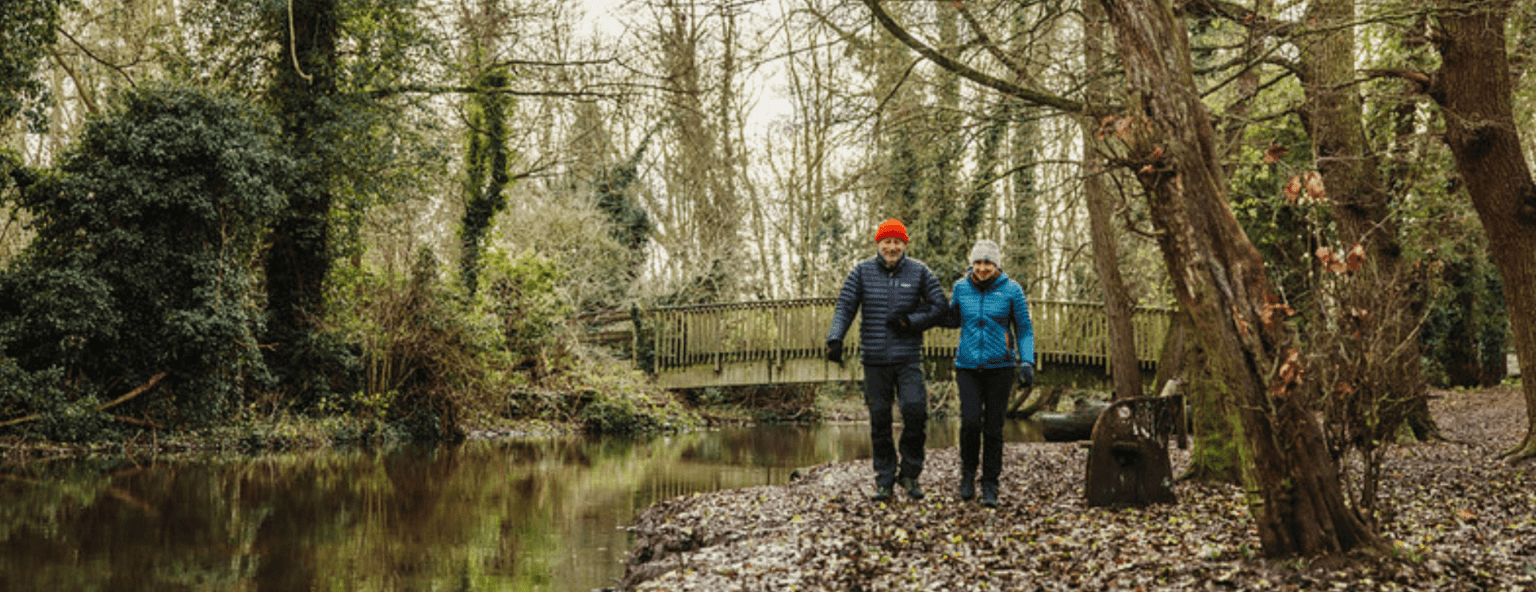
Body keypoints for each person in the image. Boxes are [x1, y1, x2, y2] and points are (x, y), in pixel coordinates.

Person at [826, 218, 949, 502]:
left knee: (916, 412)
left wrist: (909, 321)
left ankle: (910, 473)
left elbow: (940, 306)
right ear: (878, 244)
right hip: (875, 358)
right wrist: (835, 338)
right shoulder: (861, 272)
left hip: (908, 358)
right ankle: (884, 479)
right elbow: (845, 306)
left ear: (904, 244)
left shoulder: (919, 272)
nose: (891, 247)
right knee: (879, 421)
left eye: (897, 242)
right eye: (887, 242)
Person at [939, 239, 1034, 508]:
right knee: (970, 423)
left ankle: (990, 483)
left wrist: (1027, 362)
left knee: (993, 429)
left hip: (1000, 367)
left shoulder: (1012, 290)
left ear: (996, 265)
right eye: (978, 262)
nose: (982, 268)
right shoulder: (961, 287)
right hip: (967, 366)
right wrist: (932, 309)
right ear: (972, 264)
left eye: (988, 263)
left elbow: (1024, 329)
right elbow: (953, 318)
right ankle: (967, 475)